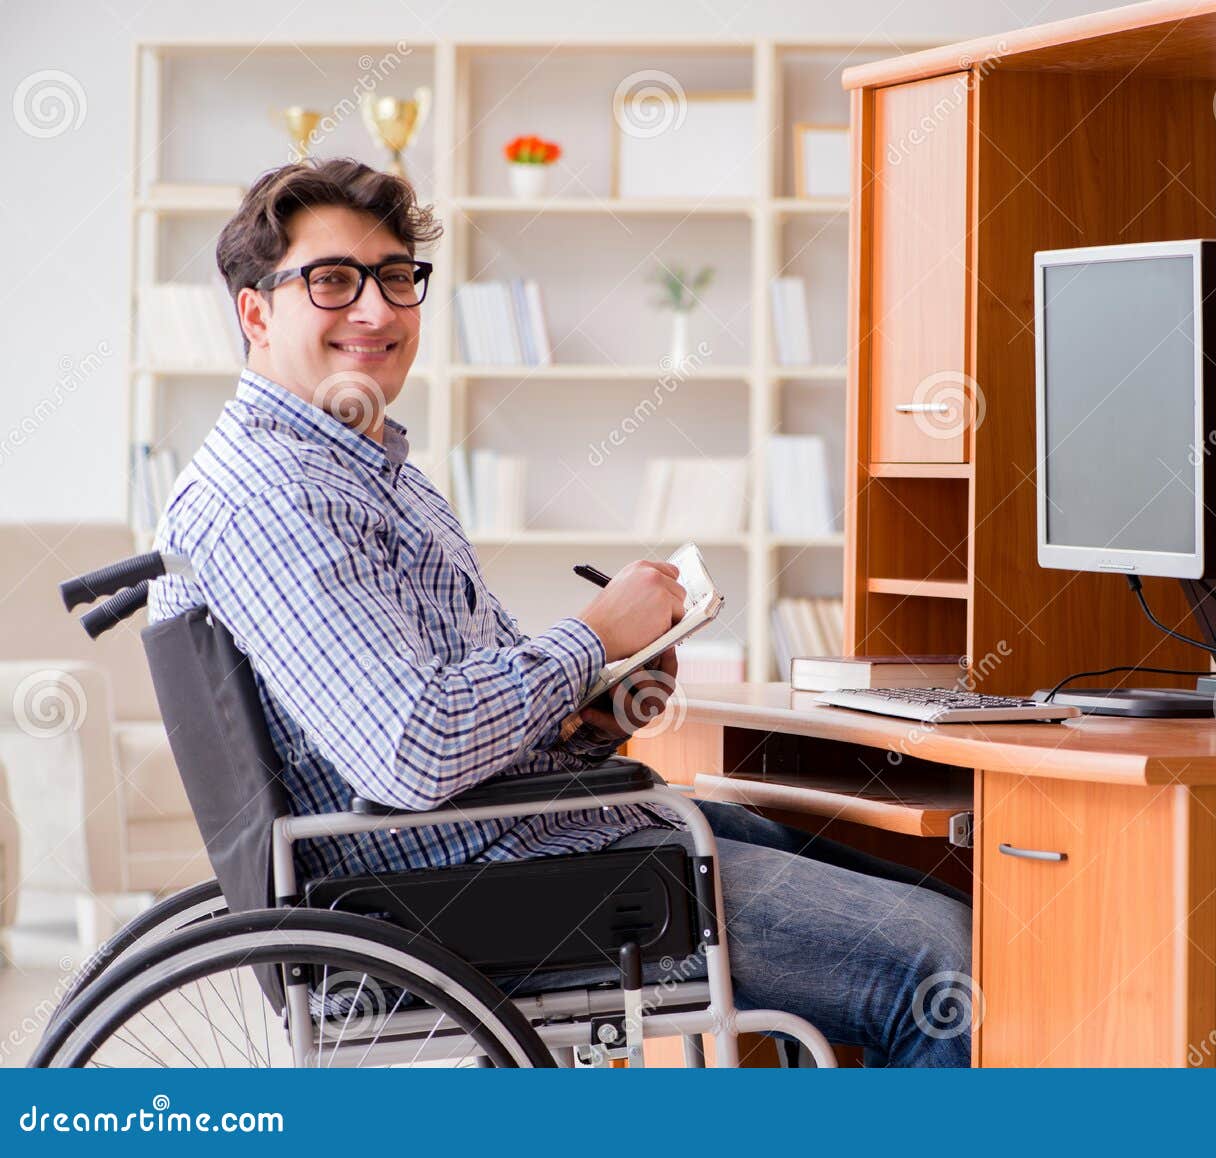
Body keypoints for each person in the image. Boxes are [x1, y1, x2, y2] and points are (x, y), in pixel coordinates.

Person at [148, 157, 973, 1067]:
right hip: (473, 886)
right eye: (333, 282)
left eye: (394, 278)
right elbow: (413, 749)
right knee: (949, 967)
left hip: (523, 843)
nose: (376, 311)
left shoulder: (368, 473)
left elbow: (450, 711)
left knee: (942, 882)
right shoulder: (277, 496)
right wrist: (592, 638)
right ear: (257, 312)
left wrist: (594, 706)